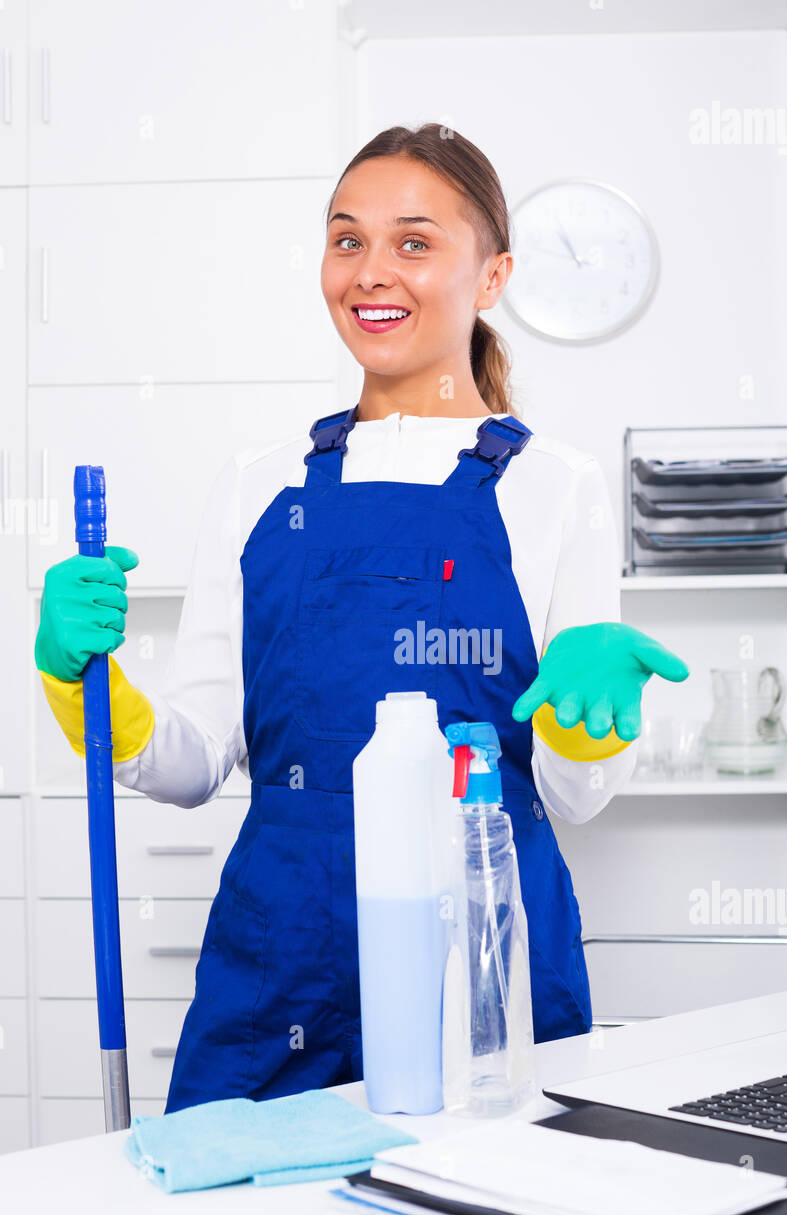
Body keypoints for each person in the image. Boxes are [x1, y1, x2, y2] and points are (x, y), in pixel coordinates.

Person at [34, 124, 688, 1112]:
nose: (371, 271)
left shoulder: (560, 485)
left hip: (481, 956)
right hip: (279, 959)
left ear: (492, 274)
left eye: (415, 242)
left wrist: (585, 719)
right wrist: (86, 686)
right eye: (348, 239)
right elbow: (193, 760)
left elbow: (578, 798)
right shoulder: (259, 485)